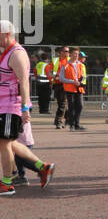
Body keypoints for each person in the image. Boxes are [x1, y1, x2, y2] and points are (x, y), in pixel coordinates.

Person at [0, 20, 55, 195]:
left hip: (10, 106)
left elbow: (24, 82)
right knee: (10, 143)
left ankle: (7, 182)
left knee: (5, 143)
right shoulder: (7, 53)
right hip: (5, 106)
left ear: (7, 34)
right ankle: (42, 167)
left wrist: (24, 108)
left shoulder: (17, 54)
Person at [60, 47, 87, 130]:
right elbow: (61, 78)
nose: (76, 55)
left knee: (80, 106)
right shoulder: (65, 65)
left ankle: (77, 124)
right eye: (75, 53)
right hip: (70, 89)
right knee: (71, 107)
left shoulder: (81, 65)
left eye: (77, 54)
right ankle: (72, 125)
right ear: (70, 54)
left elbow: (84, 76)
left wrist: (81, 81)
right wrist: (72, 81)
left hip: (79, 88)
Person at [52, 46, 70, 128]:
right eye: (65, 51)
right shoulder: (55, 60)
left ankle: (58, 121)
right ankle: (68, 120)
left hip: (66, 84)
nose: (67, 53)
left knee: (62, 104)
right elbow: (49, 70)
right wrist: (52, 76)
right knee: (61, 103)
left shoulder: (70, 61)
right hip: (56, 84)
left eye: (68, 51)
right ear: (61, 52)